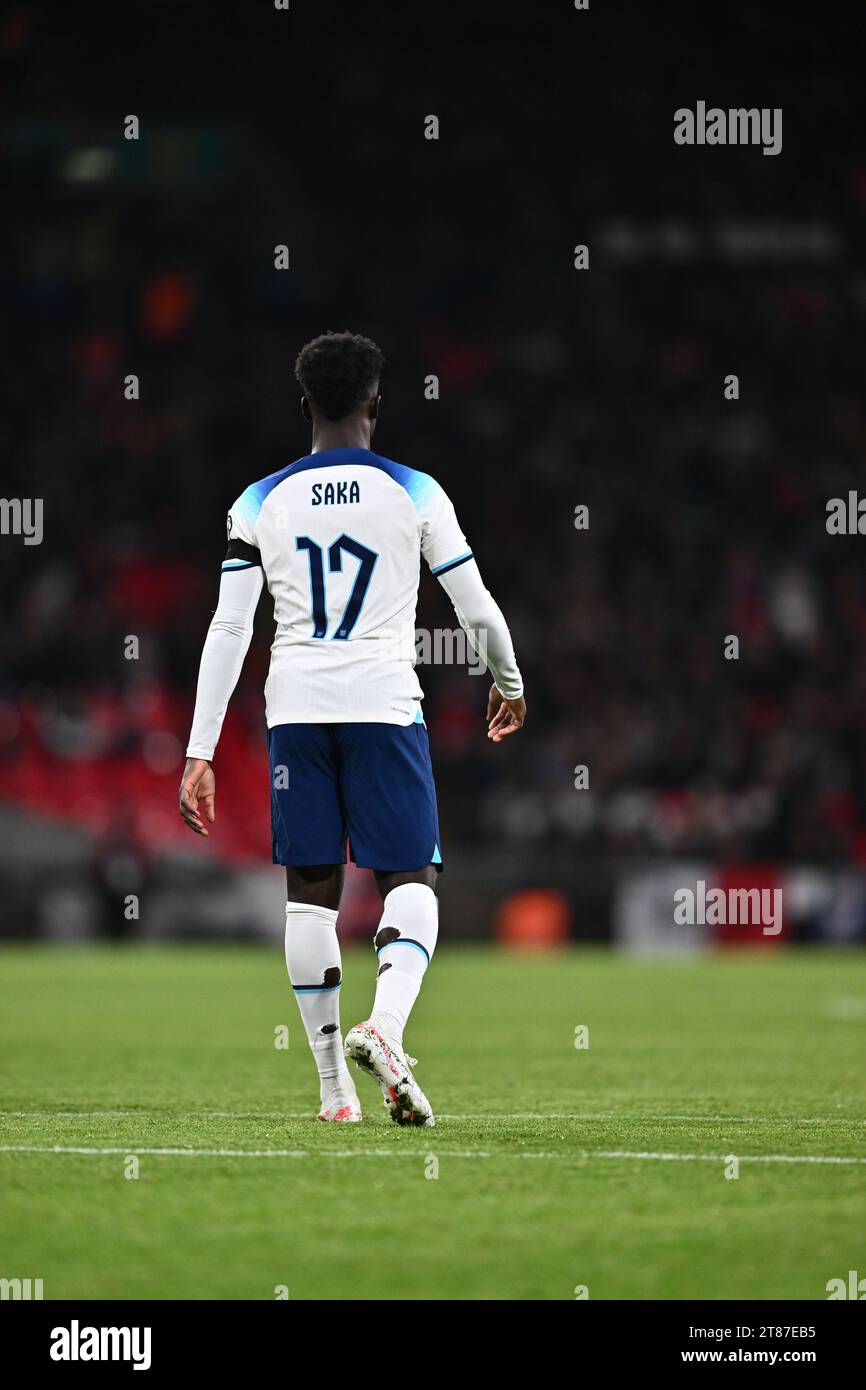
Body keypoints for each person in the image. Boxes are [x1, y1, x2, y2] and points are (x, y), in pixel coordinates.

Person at [179, 331, 525, 1126]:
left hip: (295, 709)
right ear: (376, 403)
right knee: (411, 877)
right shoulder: (417, 491)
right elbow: (476, 609)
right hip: (382, 705)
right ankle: (388, 1027)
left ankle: (335, 1092)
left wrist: (199, 750)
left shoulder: (258, 500)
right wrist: (510, 685)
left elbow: (228, 631)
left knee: (309, 895)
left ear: (305, 407)